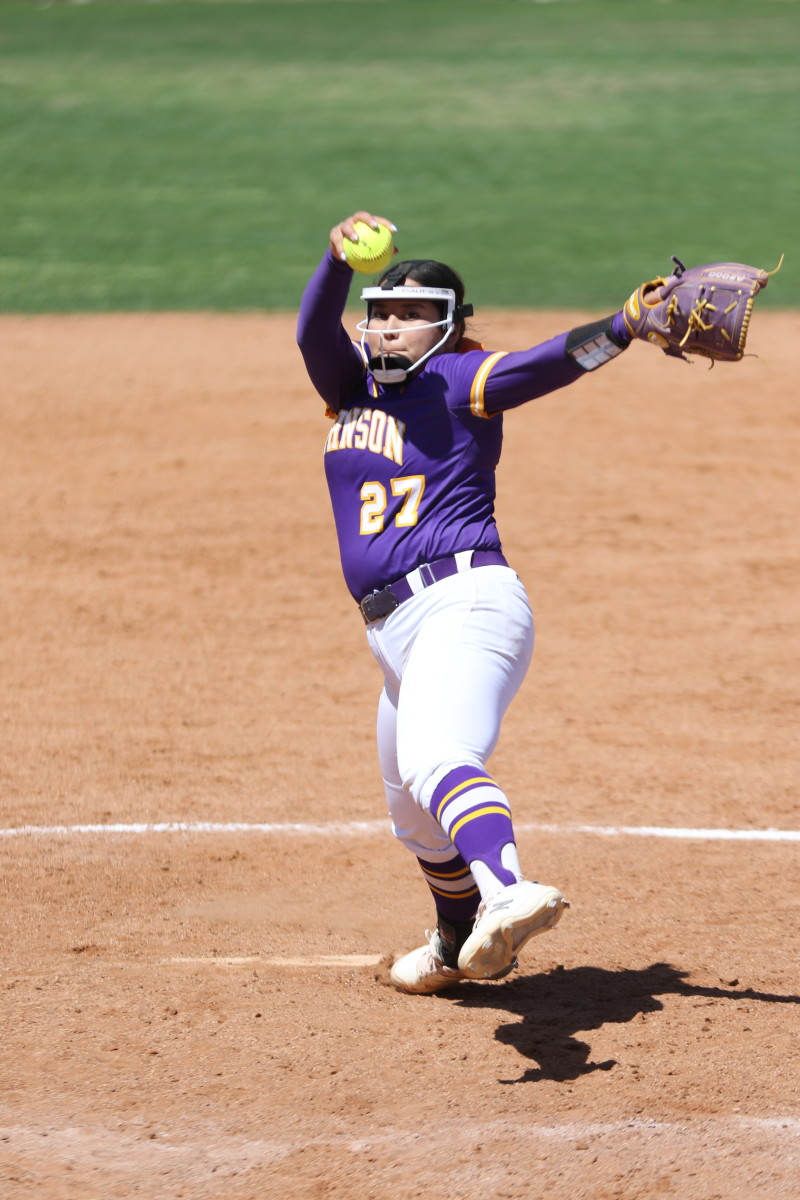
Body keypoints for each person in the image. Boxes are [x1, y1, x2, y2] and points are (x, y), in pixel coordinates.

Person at [296, 210, 641, 994]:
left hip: (464, 602)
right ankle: (456, 937)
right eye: (383, 311)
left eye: (414, 315)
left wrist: (623, 326)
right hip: (395, 632)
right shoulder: (347, 385)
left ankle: (508, 892)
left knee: (436, 760)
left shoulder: (457, 380)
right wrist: (335, 260)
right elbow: (313, 330)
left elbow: (547, 365)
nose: (392, 326)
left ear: (449, 330)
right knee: (412, 815)